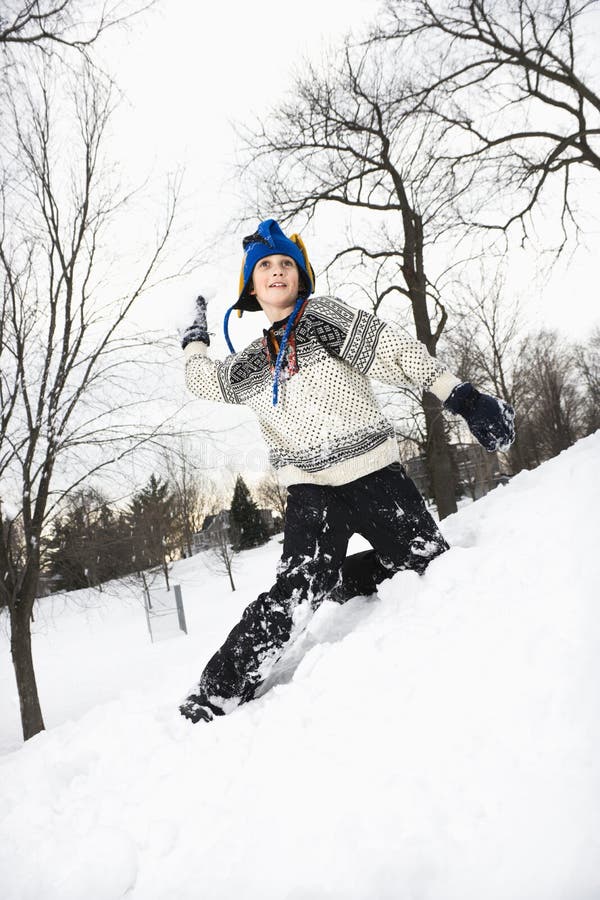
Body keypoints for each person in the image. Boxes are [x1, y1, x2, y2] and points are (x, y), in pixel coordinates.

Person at [179, 219, 515, 723]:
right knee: (294, 592)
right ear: (250, 285)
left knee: (429, 565)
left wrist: (461, 396)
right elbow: (205, 382)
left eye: (285, 264)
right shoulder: (251, 363)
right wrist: (194, 339)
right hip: (311, 493)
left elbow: (394, 351)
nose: (276, 272)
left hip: (374, 475)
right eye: (264, 266)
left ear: (300, 275)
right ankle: (217, 692)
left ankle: (347, 574)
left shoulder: (325, 319)